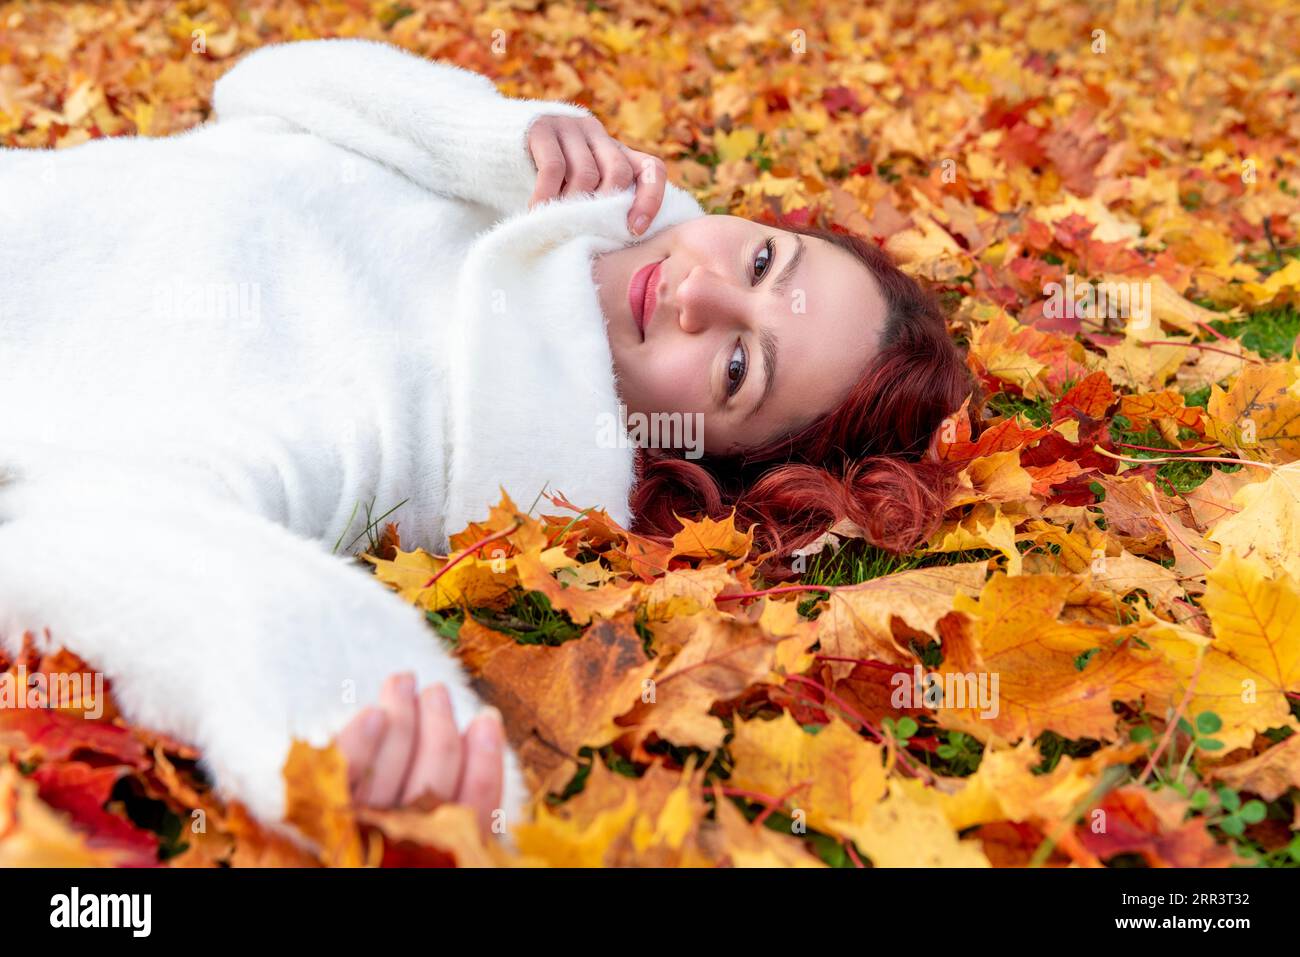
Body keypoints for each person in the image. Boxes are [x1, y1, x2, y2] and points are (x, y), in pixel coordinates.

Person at [0, 37, 969, 853]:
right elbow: (264, 88)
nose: (698, 294)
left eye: (732, 371)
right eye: (760, 259)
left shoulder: (407, 433)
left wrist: (331, 717)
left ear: (689, 455)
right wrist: (494, 135)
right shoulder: (543, 178)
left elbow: (112, 545)